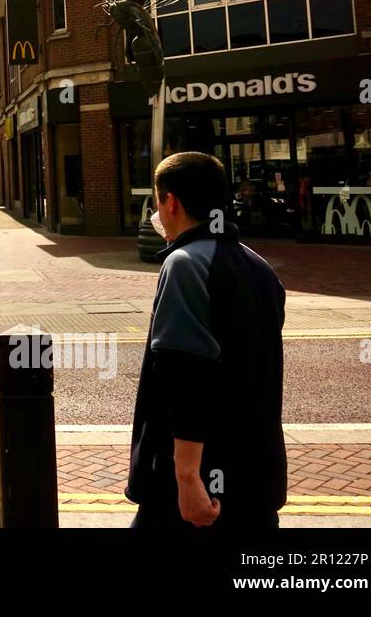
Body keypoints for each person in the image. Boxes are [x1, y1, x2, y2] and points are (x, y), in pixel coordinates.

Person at [127, 152, 286, 530]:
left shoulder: (184, 264)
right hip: (255, 476)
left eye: (158, 201)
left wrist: (187, 479)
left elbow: (186, 375)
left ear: (171, 202)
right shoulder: (259, 266)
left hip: (196, 486)